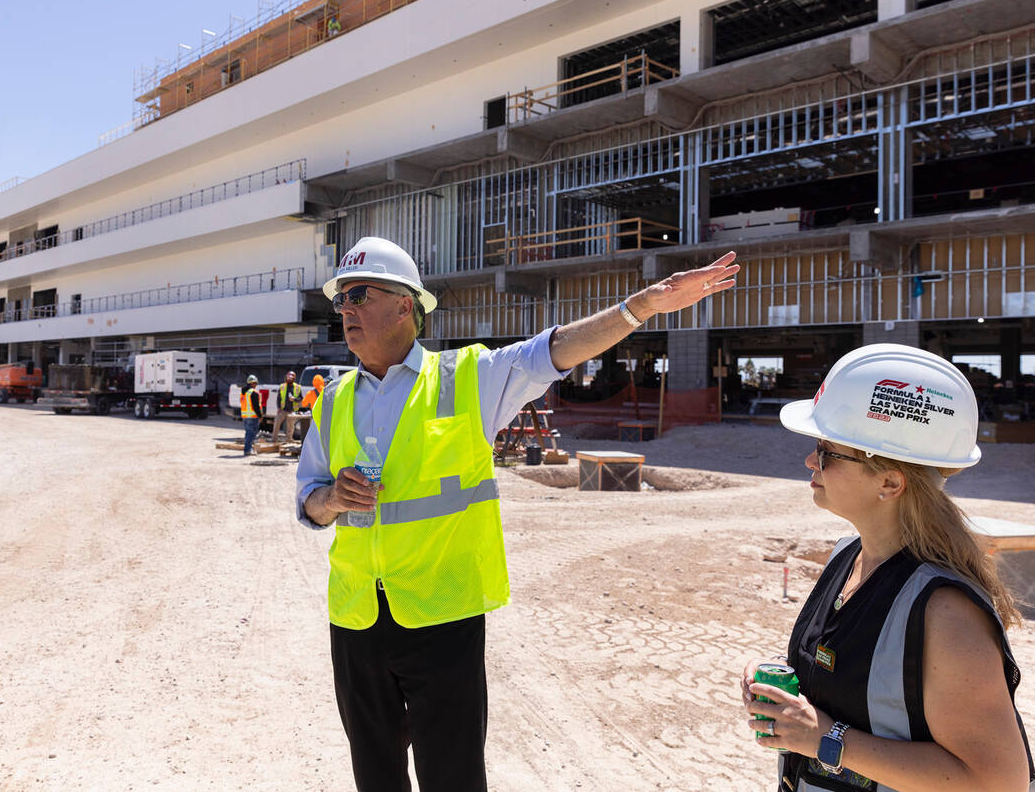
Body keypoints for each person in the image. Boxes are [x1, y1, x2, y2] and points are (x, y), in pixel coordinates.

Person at [296, 235, 738, 791]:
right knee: (374, 773)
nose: (346, 311)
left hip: (442, 615)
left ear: (405, 304)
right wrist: (332, 500)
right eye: (340, 301)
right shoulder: (333, 399)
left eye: (359, 295)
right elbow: (309, 501)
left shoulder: (465, 379)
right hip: (356, 619)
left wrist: (642, 306)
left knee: (452, 775)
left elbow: (553, 351)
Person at [739, 343, 1033, 792]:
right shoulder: (848, 556)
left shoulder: (945, 612)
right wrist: (788, 692)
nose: (809, 461)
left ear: (890, 481)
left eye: (827, 451)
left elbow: (998, 781)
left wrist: (825, 740)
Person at [272, 371, 304, 443]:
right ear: (286, 377)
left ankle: (289, 439)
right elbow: (279, 398)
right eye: (288, 376)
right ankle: (274, 440)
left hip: (292, 410)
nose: (289, 377)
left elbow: (301, 398)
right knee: (276, 424)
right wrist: (279, 408)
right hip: (283, 410)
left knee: (290, 427)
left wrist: (294, 399)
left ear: (294, 378)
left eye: (291, 376)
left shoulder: (297, 387)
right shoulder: (282, 386)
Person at [240, 374, 261, 456]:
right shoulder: (253, 393)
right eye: (255, 383)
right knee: (251, 434)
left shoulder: (243, 393)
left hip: (245, 416)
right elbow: (256, 406)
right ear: (252, 383)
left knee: (248, 433)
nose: (256, 385)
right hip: (253, 416)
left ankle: (249, 448)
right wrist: (260, 416)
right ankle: (247, 450)